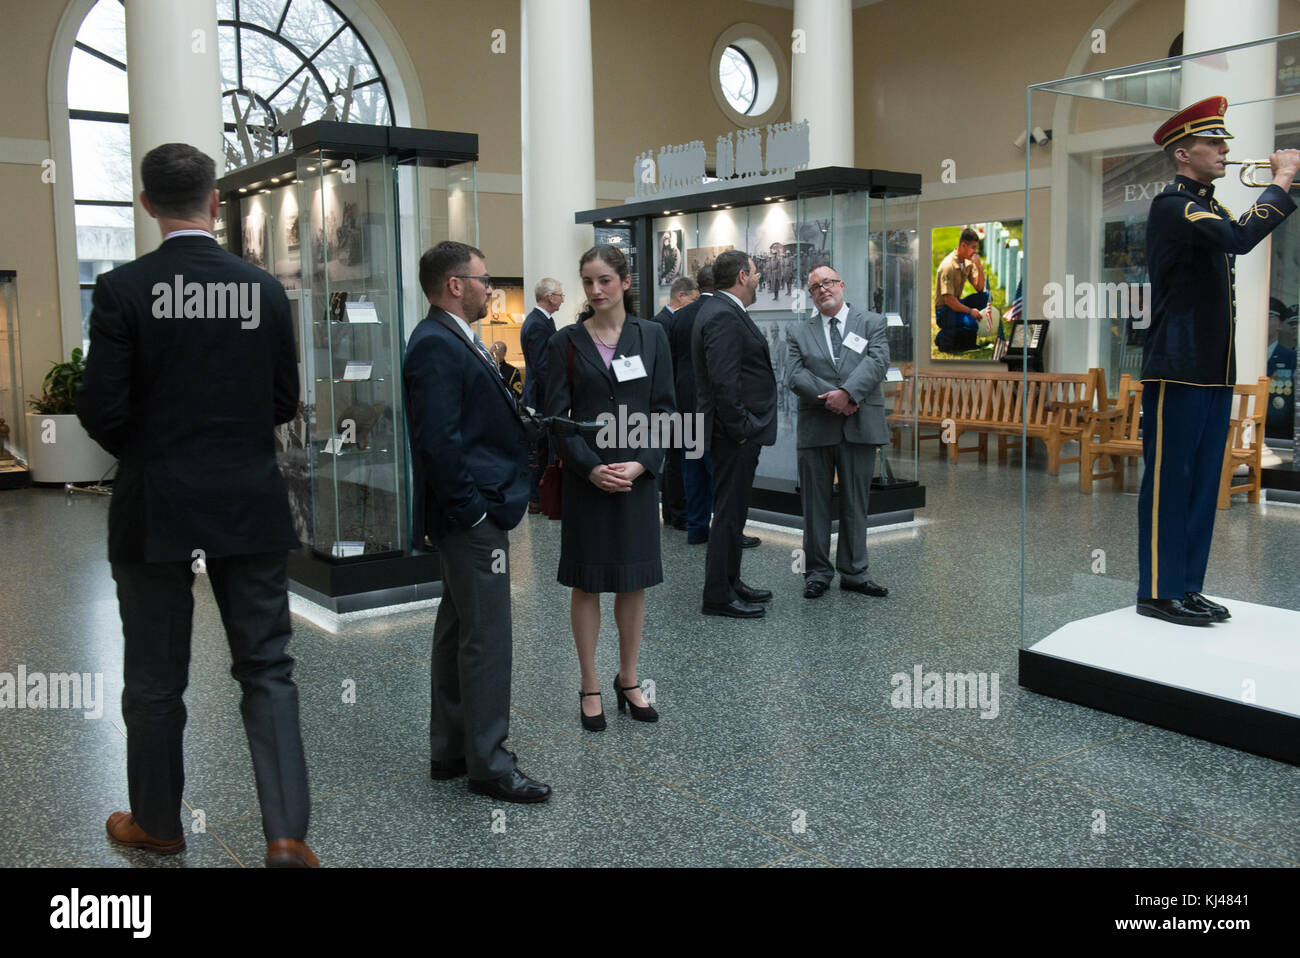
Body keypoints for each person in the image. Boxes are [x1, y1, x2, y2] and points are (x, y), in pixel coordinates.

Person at [76, 142, 317, 867]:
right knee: (268, 667)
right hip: (247, 494)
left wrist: (156, 447)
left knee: (154, 676)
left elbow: (100, 409)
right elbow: (282, 400)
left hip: (156, 499)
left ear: (146, 204)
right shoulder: (263, 290)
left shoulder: (121, 290)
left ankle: (158, 822)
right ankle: (284, 836)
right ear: (215, 203)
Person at [1139, 96, 1300, 625]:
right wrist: (1281, 181)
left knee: (1205, 481)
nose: (1225, 150)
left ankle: (1187, 585)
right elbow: (1239, 240)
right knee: (1169, 481)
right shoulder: (1175, 206)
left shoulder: (1207, 205)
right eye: (1213, 142)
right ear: (1182, 153)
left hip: (1211, 370)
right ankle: (1158, 591)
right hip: (1176, 367)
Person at [404, 240, 551, 802]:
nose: (491, 289)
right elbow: (438, 442)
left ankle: (452, 750)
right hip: (471, 519)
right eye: (483, 280)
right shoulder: (436, 344)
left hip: (472, 511)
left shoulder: (450, 338)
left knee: (457, 627)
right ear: (454, 285)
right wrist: (474, 510)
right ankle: (489, 763)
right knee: (486, 635)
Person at [544, 244, 675, 731]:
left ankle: (629, 678)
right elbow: (557, 419)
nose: (596, 290)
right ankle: (589, 683)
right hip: (588, 480)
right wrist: (589, 468)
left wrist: (641, 465)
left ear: (624, 281)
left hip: (636, 481)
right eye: (587, 282)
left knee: (632, 579)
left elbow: (665, 411)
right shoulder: (565, 343)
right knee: (587, 581)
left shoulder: (653, 336)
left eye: (604, 280)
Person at [785, 264, 891, 599]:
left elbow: (877, 362)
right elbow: (794, 375)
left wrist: (847, 393)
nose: (822, 290)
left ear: (842, 285)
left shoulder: (872, 322)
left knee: (855, 503)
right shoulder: (798, 331)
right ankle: (817, 572)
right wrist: (833, 400)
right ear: (811, 295)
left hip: (860, 425)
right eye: (815, 287)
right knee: (815, 506)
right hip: (817, 428)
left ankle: (855, 572)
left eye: (828, 282)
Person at [691, 249, 777, 618]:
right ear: (743, 276)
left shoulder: (719, 311)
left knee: (734, 511)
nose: (758, 280)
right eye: (755, 273)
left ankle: (730, 581)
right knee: (728, 514)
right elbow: (724, 381)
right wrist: (742, 428)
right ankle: (718, 595)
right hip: (732, 435)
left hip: (731, 432)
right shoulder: (723, 315)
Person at [669, 265, 715, 544]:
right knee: (717, 470)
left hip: (685, 401)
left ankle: (696, 525)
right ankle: (725, 528)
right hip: (711, 406)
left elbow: (674, 362)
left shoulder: (681, 317)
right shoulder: (721, 314)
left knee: (692, 466)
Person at [652, 275, 698, 529]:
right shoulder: (663, 323)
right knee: (676, 459)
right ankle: (676, 512)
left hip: (674, 400)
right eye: (693, 299)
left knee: (675, 458)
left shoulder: (667, 321)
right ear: (682, 296)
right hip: (672, 401)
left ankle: (672, 512)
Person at [521, 278, 563, 513]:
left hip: (541, 395)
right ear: (549, 297)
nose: (562, 299)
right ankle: (538, 498)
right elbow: (541, 365)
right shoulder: (538, 324)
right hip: (541, 397)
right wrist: (557, 393)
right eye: (560, 294)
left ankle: (539, 497)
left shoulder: (541, 321)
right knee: (541, 449)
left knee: (543, 449)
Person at [933, 227, 990, 353]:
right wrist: (970, 311)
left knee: (985, 297)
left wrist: (979, 266)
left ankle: (959, 334)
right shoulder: (948, 266)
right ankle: (943, 338)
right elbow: (949, 301)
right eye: (973, 247)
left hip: (956, 304)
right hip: (945, 311)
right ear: (963, 245)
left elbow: (979, 288)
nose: (975, 251)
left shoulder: (966, 262)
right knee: (972, 325)